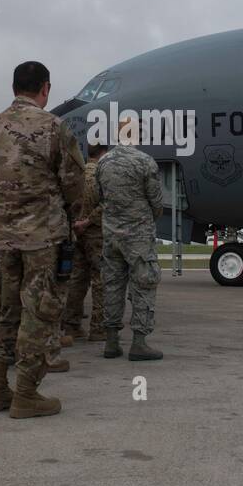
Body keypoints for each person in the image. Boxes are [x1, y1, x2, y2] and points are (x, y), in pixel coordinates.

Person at [0, 61, 85, 417]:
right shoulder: (53, 127)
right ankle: (25, 393)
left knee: (2, 310)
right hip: (42, 237)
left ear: (13, 87)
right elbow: (74, 182)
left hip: (2, 238)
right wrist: (72, 217)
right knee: (39, 313)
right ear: (45, 88)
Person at [95, 119, 164, 361]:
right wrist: (144, 219)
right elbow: (156, 201)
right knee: (144, 284)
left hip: (111, 233)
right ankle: (139, 342)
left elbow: (100, 197)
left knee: (112, 285)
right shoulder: (145, 162)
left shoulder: (103, 163)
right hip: (138, 236)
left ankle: (111, 342)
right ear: (137, 135)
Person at [62, 142, 109, 344]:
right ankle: (98, 328)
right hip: (96, 233)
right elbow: (108, 202)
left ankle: (71, 326)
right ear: (104, 153)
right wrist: (88, 221)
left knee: (76, 280)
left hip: (75, 233)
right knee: (100, 281)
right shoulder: (102, 174)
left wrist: (75, 223)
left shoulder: (77, 174)